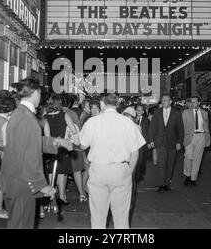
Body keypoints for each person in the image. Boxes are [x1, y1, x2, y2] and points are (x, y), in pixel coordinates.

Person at [0, 78, 72, 229]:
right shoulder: (27, 118)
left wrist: (55, 142)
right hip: (23, 185)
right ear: (35, 92)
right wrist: (41, 185)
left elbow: (28, 142)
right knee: (21, 226)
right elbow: (27, 157)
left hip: (15, 182)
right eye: (40, 92)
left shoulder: (20, 114)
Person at [79, 92, 146, 229]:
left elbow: (83, 145)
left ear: (102, 104)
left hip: (98, 171)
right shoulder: (128, 122)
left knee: (98, 217)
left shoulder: (92, 122)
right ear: (117, 104)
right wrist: (129, 172)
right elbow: (135, 153)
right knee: (121, 218)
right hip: (120, 170)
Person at [149, 94, 184, 191]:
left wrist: (179, 142)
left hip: (172, 143)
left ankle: (167, 183)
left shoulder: (176, 113)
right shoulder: (157, 112)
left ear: (170, 102)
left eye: (166, 100)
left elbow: (181, 129)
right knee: (161, 164)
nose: (164, 102)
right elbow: (152, 127)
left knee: (170, 164)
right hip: (160, 142)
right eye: (162, 100)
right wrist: (151, 140)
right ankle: (161, 183)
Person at [182, 96, 210, 186]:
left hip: (201, 136)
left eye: (194, 102)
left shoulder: (204, 113)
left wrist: (207, 139)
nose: (192, 103)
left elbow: (206, 127)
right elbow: (182, 126)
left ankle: (193, 178)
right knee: (188, 157)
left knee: (197, 159)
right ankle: (187, 175)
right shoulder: (185, 113)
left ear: (199, 103)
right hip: (189, 136)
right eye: (191, 102)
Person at [135, 104, 150, 180]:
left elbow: (148, 131)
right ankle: (135, 173)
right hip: (134, 143)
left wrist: (148, 142)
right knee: (135, 159)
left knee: (141, 159)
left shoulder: (146, 120)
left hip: (143, 143)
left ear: (143, 111)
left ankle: (140, 174)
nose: (138, 111)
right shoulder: (132, 119)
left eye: (140, 110)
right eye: (137, 110)